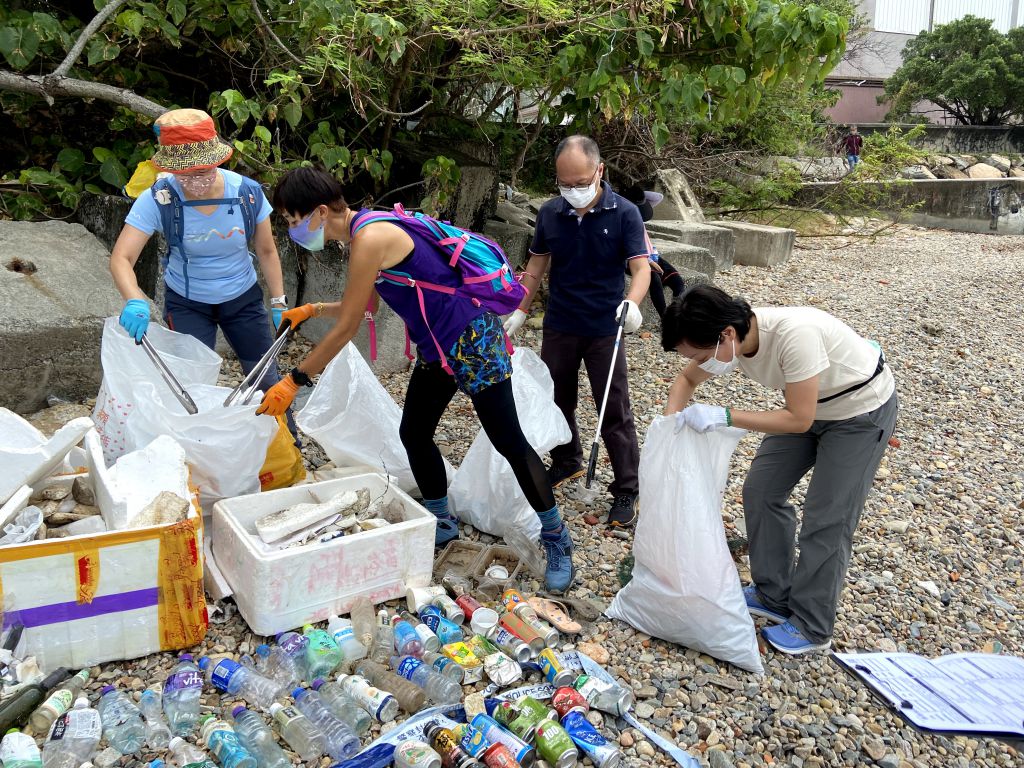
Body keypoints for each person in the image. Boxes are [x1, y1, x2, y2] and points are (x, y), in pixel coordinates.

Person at [258, 166, 576, 593]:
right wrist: (313, 309)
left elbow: (350, 324)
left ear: (319, 211)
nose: (294, 230)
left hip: (472, 341)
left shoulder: (371, 237)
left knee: (510, 443)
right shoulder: (362, 234)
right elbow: (365, 302)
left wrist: (294, 380)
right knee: (415, 432)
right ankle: (441, 520)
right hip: (438, 347)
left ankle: (557, 538)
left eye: (295, 221)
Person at [662, 285, 897, 655]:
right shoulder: (733, 336)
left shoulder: (792, 335)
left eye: (704, 355)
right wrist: (670, 425)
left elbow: (798, 419)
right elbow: (686, 379)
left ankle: (813, 625)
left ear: (726, 335)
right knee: (761, 490)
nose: (703, 363)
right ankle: (773, 594)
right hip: (810, 407)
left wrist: (724, 416)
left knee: (827, 519)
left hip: (858, 414)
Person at [109, 108, 295, 432]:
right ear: (171, 170)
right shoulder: (160, 199)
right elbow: (122, 257)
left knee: (265, 376)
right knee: (188, 384)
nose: (196, 181)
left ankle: (287, 451)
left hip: (243, 299)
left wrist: (278, 300)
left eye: (204, 171)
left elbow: (266, 249)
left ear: (218, 160)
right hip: (187, 302)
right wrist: (133, 299)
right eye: (186, 174)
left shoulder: (247, 193)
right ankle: (194, 454)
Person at [504, 136, 651, 527]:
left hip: (606, 326)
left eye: (580, 181)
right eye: (564, 183)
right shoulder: (551, 213)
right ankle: (567, 459)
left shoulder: (625, 213)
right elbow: (536, 267)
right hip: (561, 324)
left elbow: (641, 268)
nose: (573, 190)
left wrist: (632, 304)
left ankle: (626, 488)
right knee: (558, 399)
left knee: (613, 407)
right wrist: (520, 309)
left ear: (599, 171)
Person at [619, 184, 686, 319]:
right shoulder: (621, 219)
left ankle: (679, 315)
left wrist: (640, 195)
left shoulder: (637, 217)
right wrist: (648, 261)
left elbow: (658, 197)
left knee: (677, 281)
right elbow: (625, 248)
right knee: (654, 279)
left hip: (651, 255)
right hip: (633, 258)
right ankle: (665, 318)